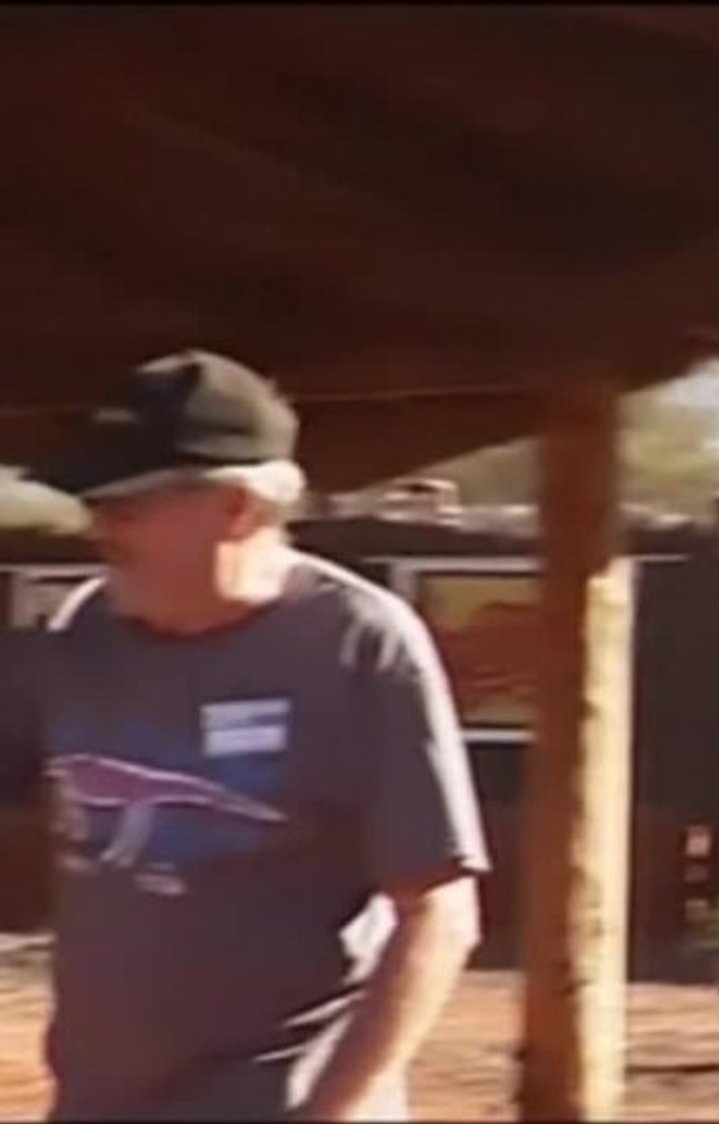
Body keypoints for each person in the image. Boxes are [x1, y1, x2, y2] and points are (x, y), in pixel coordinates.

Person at [2, 349, 491, 1121]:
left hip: (280, 1101)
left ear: (235, 507)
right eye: (95, 507)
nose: (101, 530)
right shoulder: (80, 631)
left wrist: (334, 1112)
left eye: (127, 507)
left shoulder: (357, 644)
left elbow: (438, 913)